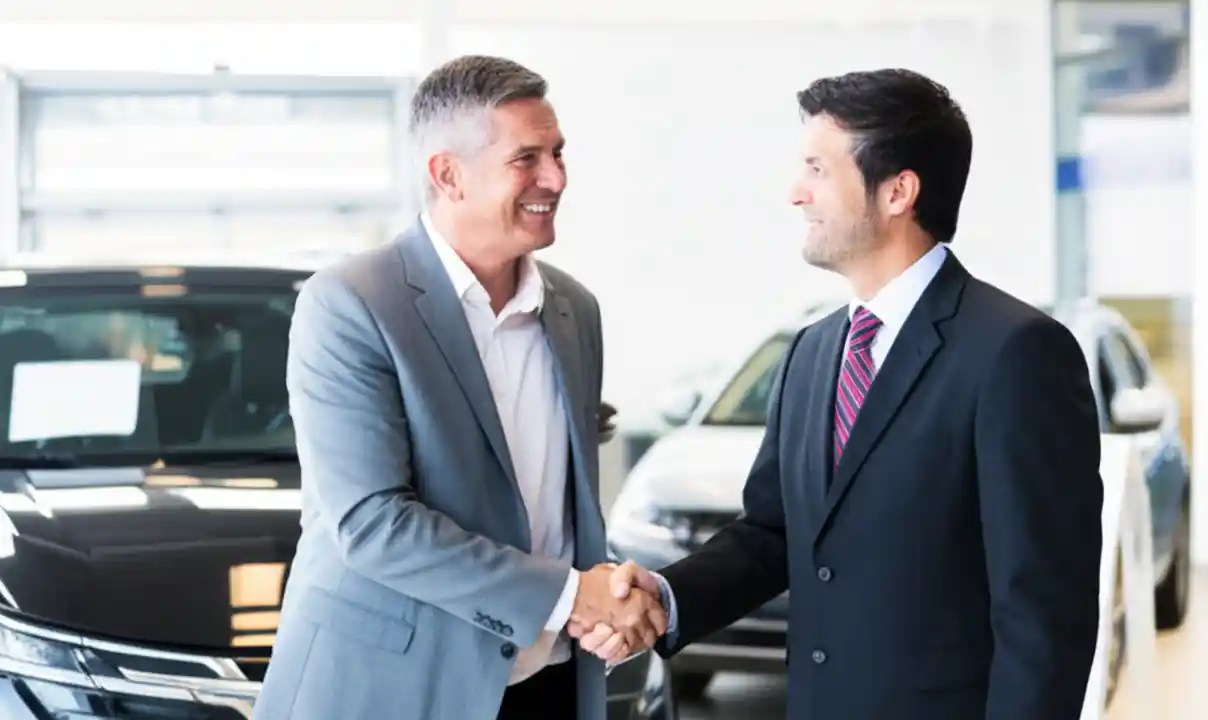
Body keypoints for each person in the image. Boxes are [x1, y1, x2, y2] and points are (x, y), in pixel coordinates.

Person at [592, 68, 1103, 720]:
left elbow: (1044, 611)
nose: (795, 193)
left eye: (816, 168)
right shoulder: (811, 352)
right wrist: (666, 597)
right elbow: (773, 535)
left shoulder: (1018, 352)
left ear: (897, 191)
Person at [255, 55, 665, 720]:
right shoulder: (351, 304)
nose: (554, 178)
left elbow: (555, 513)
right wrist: (571, 595)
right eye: (526, 158)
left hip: (548, 683)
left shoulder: (574, 310)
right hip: (393, 690)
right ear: (448, 174)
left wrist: (607, 598)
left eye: (558, 154)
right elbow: (372, 523)